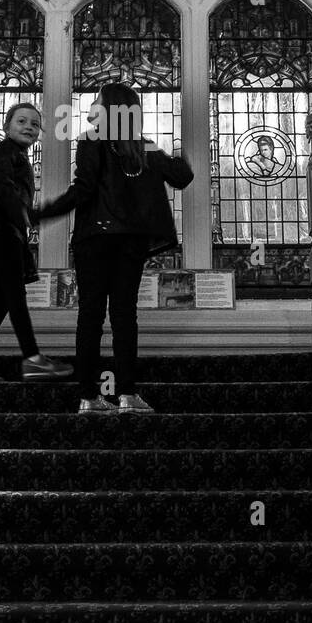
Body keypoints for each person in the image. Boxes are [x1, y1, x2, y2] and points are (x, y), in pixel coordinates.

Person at [33, 82, 193, 414]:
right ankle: (128, 396)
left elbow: (84, 189)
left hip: (94, 239)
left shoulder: (91, 142)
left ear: (111, 110)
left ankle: (89, 397)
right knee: (124, 316)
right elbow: (182, 176)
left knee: (90, 316)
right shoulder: (142, 147)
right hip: (130, 242)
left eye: (97, 101)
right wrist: (176, 151)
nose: (91, 106)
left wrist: (41, 212)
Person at [0, 103, 72, 383]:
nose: (29, 127)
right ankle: (34, 360)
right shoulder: (5, 152)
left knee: (1, 300)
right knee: (15, 298)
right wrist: (25, 217)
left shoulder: (13, 154)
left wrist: (23, 218)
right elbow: (3, 188)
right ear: (6, 126)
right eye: (21, 121)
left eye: (35, 124)